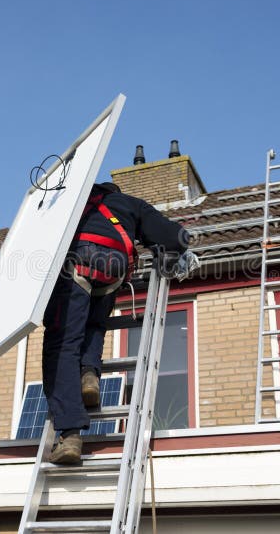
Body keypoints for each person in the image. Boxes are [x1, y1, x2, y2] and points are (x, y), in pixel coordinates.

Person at [42, 181, 191, 464]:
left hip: (77, 262)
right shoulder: (130, 204)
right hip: (114, 269)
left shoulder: (70, 205)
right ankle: (89, 375)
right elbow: (174, 236)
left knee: (61, 344)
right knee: (94, 323)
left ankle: (70, 434)